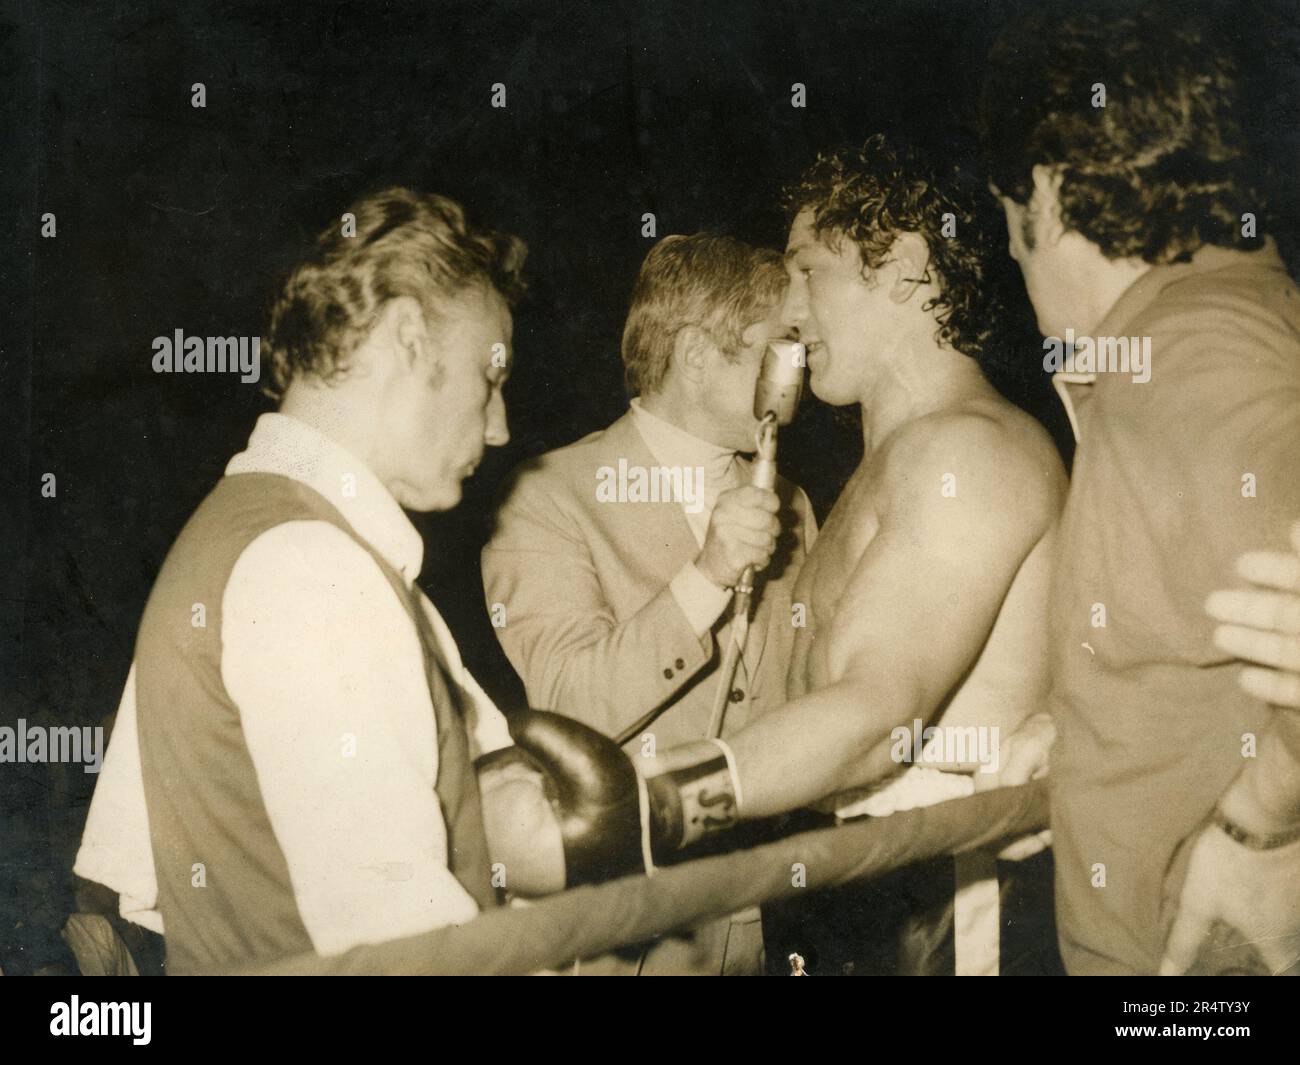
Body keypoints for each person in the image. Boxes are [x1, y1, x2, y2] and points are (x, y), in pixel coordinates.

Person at [73, 188, 573, 973]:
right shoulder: (313, 568)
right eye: (490, 376)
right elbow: (405, 947)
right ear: (409, 336)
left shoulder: (257, 529)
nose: (501, 425)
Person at [981, 7, 1300, 975]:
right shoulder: (1230, 308)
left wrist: (1265, 821)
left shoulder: (1185, 355)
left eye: (1008, 228)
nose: (1009, 258)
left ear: (1047, 191)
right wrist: (1073, 731)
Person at [483, 233, 817, 974]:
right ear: (698, 355)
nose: (802, 367)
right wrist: (708, 574)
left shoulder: (790, 499)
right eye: (780, 346)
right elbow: (570, 706)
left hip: (761, 910)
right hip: (623, 928)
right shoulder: (545, 496)